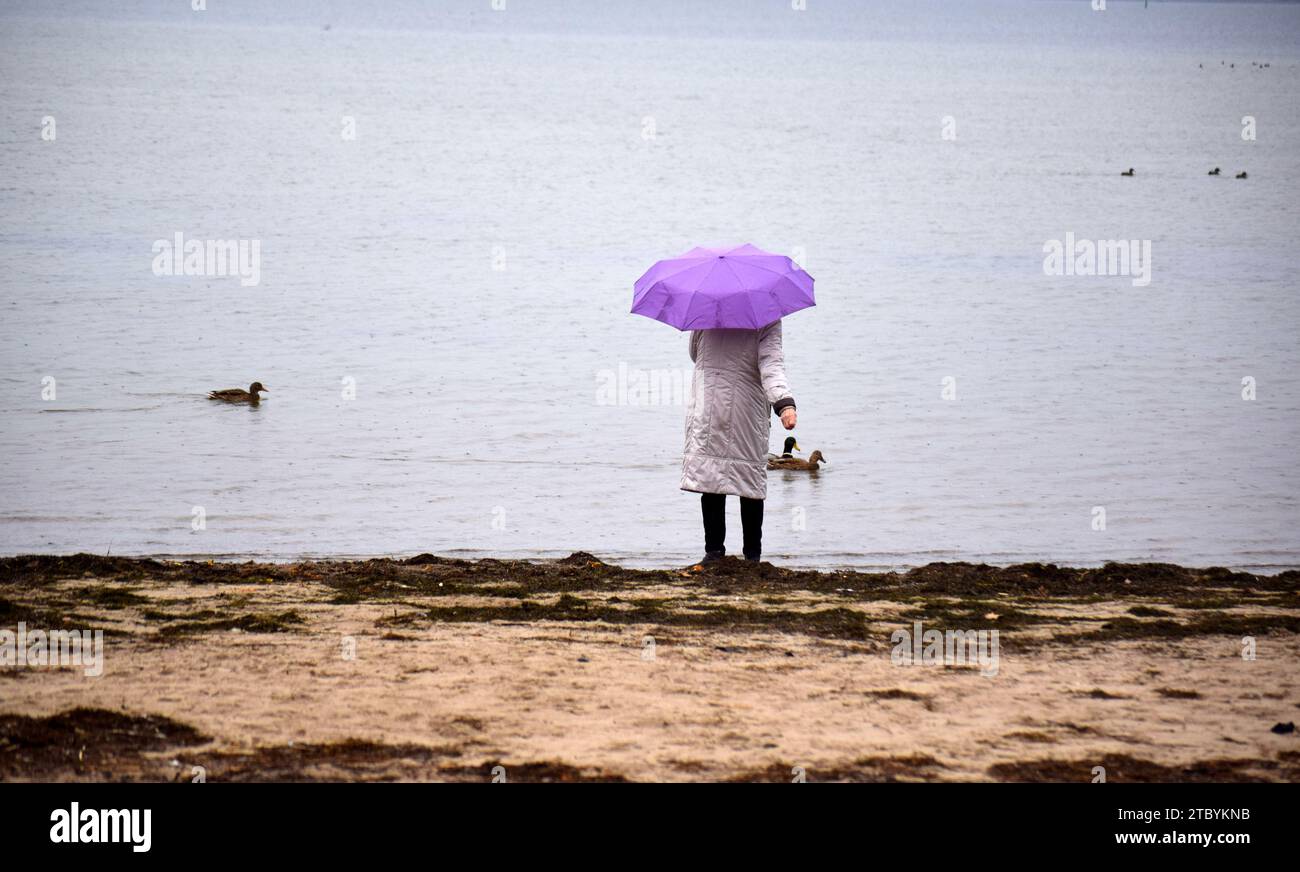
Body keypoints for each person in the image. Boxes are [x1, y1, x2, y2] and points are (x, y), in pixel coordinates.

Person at [681, 320, 796, 562]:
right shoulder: (766, 315)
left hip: (709, 404)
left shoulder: (706, 309)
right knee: (750, 481)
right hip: (747, 408)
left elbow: (695, 353)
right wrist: (784, 402)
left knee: (711, 479)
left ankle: (713, 553)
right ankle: (752, 556)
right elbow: (771, 366)